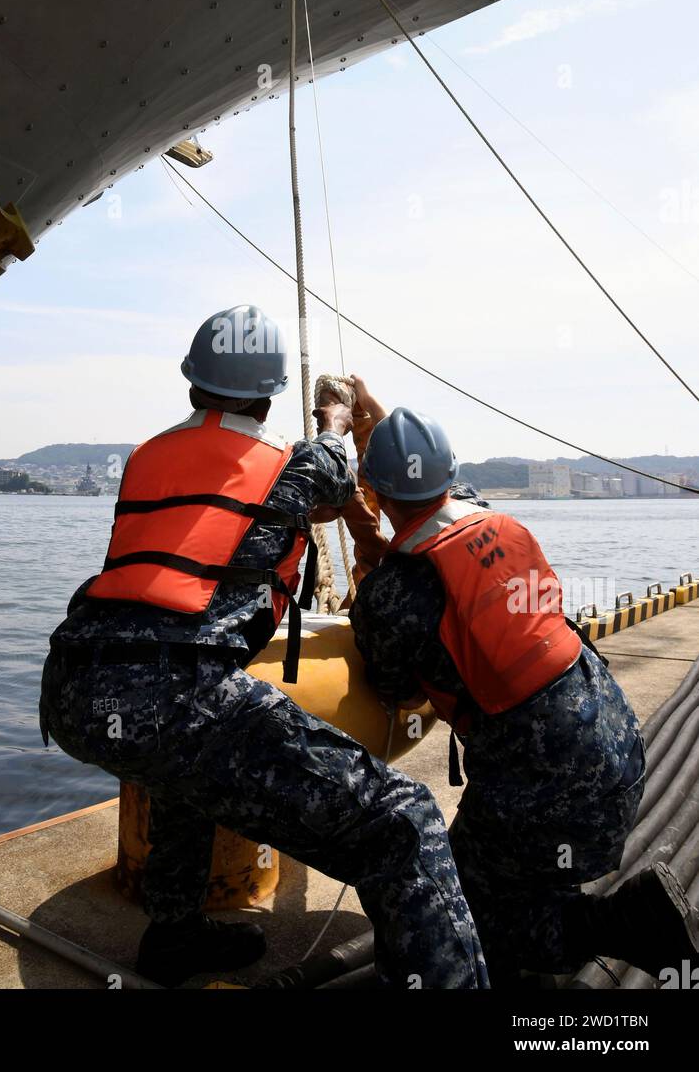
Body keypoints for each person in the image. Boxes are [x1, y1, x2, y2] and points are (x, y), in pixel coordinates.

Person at [39, 305, 488, 989]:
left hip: (73, 688)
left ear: (191, 384)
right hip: (179, 692)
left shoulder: (146, 458)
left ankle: (174, 936)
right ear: (270, 392)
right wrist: (338, 413)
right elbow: (337, 473)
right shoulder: (288, 462)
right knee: (403, 821)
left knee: (183, 777)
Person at [347, 395, 699, 986]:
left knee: (447, 911)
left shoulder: (391, 596)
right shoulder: (492, 520)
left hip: (543, 793)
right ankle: (548, 902)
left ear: (375, 496)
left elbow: (397, 691)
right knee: (510, 870)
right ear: (454, 477)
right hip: (617, 745)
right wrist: (376, 424)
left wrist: (368, 583)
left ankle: (620, 921)